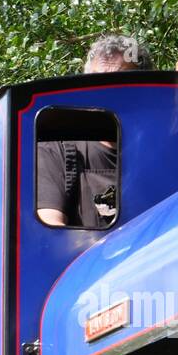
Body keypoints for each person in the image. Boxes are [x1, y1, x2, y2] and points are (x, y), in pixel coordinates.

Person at [36, 34, 151, 228]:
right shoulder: (58, 149)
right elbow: (51, 228)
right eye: (99, 84)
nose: (107, 95)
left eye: (119, 85)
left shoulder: (162, 149)